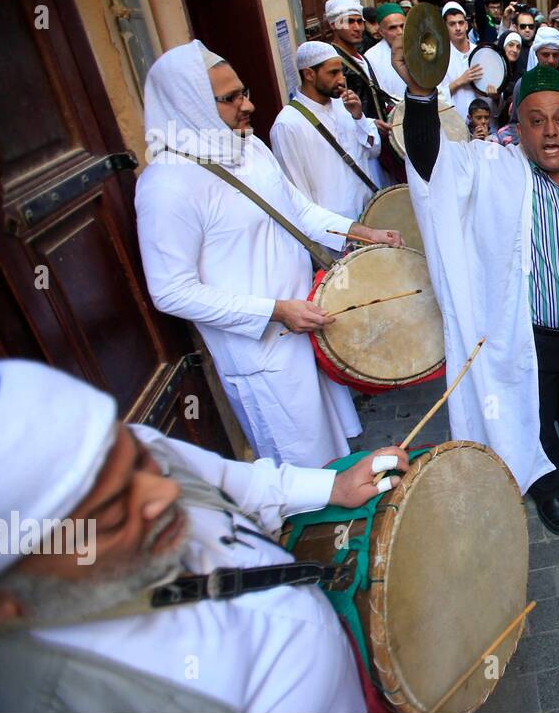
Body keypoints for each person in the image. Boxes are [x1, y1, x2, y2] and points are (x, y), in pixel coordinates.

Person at [0, 358, 412, 713]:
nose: (166, 491)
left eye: (142, 462)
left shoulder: (129, 451)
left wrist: (333, 487)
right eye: (115, 515)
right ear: (4, 604)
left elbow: (239, 482)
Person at [391, 46, 559, 537]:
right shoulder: (491, 168)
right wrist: (421, 95)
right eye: (537, 121)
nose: (550, 132)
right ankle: (549, 485)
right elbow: (432, 167)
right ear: (519, 126)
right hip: (531, 337)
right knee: (536, 409)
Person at [135, 41, 402, 469]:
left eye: (243, 92)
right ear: (188, 104)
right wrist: (275, 310)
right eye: (231, 98)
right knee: (299, 468)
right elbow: (170, 291)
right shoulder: (167, 186)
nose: (249, 105)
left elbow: (297, 210)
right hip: (263, 354)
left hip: (308, 327)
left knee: (335, 456)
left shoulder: (248, 148)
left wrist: (361, 231)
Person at [271, 42, 384, 223]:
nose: (341, 79)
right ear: (309, 74)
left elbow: (372, 151)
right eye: (333, 73)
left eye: (341, 71)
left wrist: (358, 116)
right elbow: (297, 196)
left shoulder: (344, 105)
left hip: (370, 214)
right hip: (335, 230)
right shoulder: (287, 125)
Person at [325, 0, 395, 130]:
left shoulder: (361, 56)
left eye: (359, 21)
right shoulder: (334, 63)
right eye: (349, 22)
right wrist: (368, 123)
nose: (357, 27)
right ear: (333, 24)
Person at [364, 3, 409, 102]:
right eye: (392, 28)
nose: (400, 32)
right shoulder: (372, 57)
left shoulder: (418, 47)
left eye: (402, 26)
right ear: (381, 32)